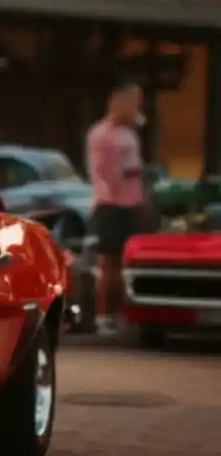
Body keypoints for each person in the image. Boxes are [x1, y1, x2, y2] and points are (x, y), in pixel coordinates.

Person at [87, 82, 147, 338]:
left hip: (132, 203)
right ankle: (103, 315)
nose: (137, 109)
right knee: (108, 262)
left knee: (128, 262)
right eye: (133, 103)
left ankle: (124, 314)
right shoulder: (101, 134)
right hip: (111, 204)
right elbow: (103, 171)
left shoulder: (130, 134)